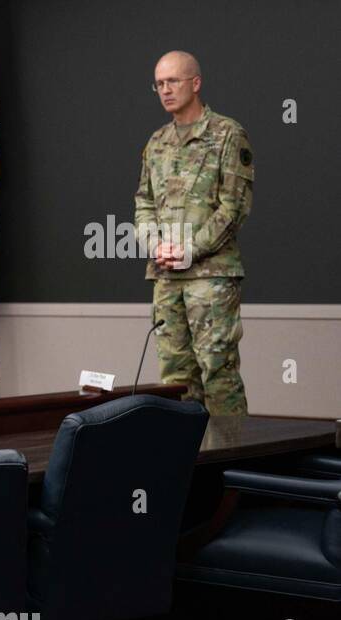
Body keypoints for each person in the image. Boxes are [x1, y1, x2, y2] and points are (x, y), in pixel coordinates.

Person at [135, 50, 253, 415]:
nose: (165, 90)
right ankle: (186, 468)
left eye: (172, 81)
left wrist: (189, 249)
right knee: (174, 381)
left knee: (218, 374)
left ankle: (231, 462)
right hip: (167, 277)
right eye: (159, 84)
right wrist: (156, 246)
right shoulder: (157, 143)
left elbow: (234, 208)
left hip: (211, 278)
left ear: (195, 83)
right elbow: (144, 202)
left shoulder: (227, 134)